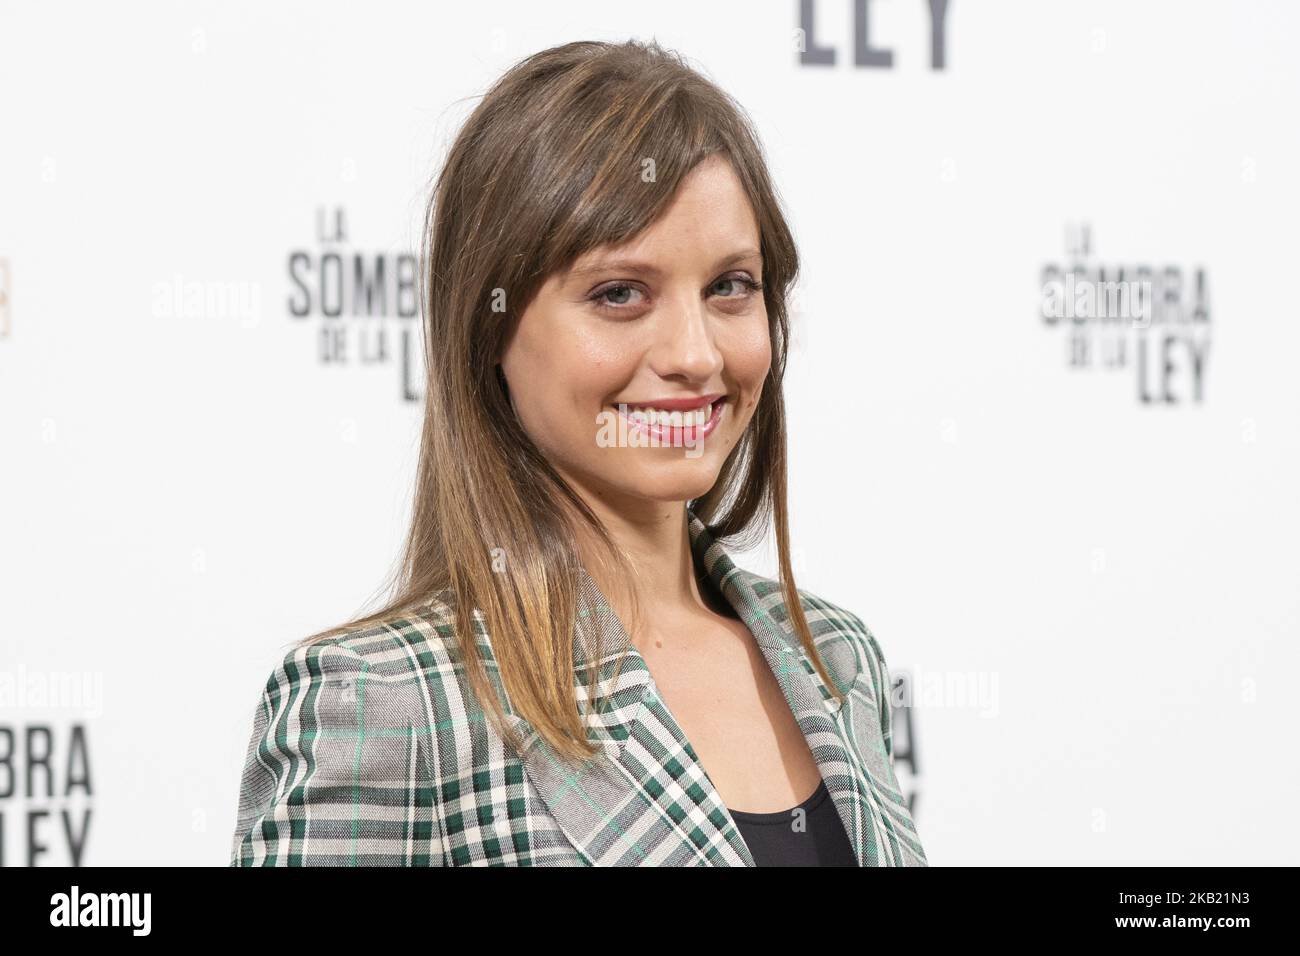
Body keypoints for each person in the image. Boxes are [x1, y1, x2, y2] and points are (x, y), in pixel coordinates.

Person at [229, 38, 927, 867]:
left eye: (730, 286)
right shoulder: (379, 704)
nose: (696, 354)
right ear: (489, 326)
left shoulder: (837, 660)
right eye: (619, 294)